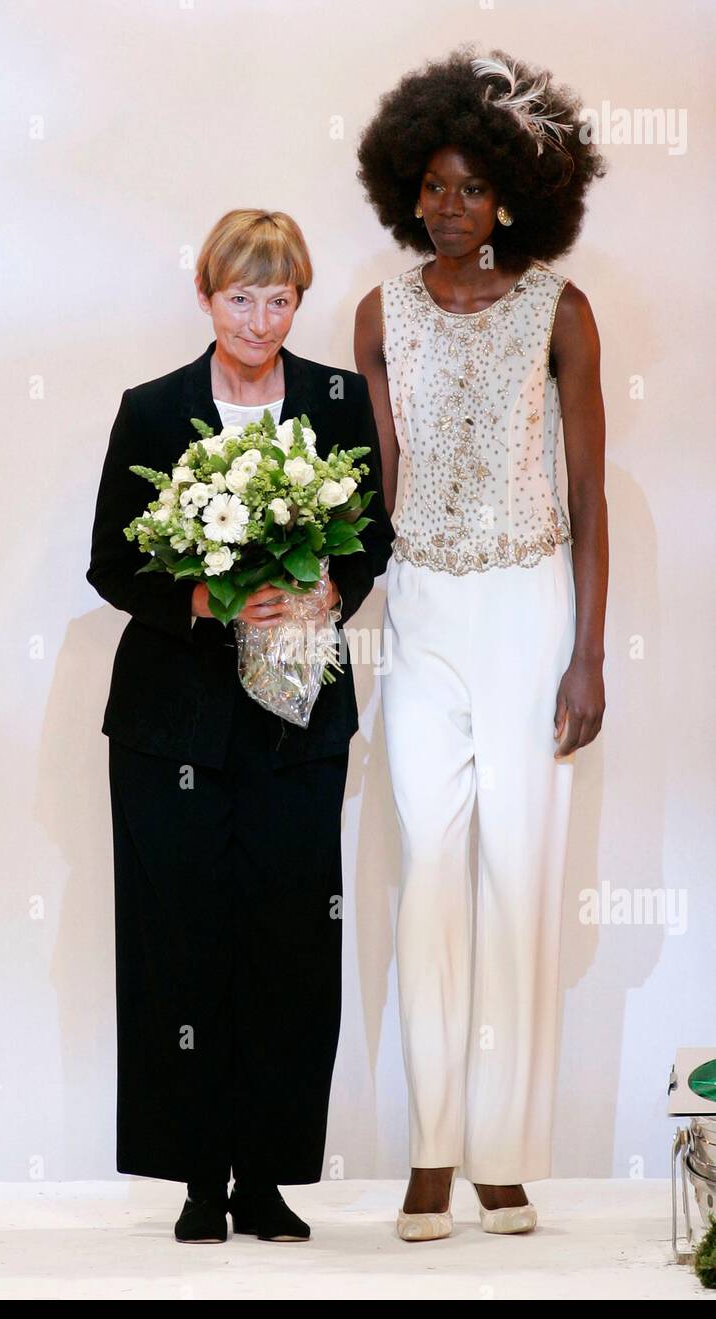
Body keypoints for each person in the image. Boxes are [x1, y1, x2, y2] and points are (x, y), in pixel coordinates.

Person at [86, 209, 394, 1243]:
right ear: (206, 297)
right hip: (171, 721)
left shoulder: (337, 398)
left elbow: (372, 540)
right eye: (240, 297)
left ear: (298, 300)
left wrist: (319, 596)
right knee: (179, 942)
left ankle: (264, 1178)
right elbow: (112, 563)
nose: (261, 317)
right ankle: (193, 1178)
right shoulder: (152, 409)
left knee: (287, 941)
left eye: (280, 297)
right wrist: (208, 606)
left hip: (298, 714)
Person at [354, 46, 608, 1239]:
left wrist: (587, 652)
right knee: (427, 875)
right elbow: (380, 489)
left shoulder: (559, 311)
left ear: (511, 193)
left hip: (525, 605)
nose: (448, 207)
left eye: (470, 187)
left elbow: (589, 493)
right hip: (423, 610)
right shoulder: (378, 310)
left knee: (517, 874)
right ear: (406, 187)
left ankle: (501, 1154)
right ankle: (429, 1148)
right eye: (432, 187)